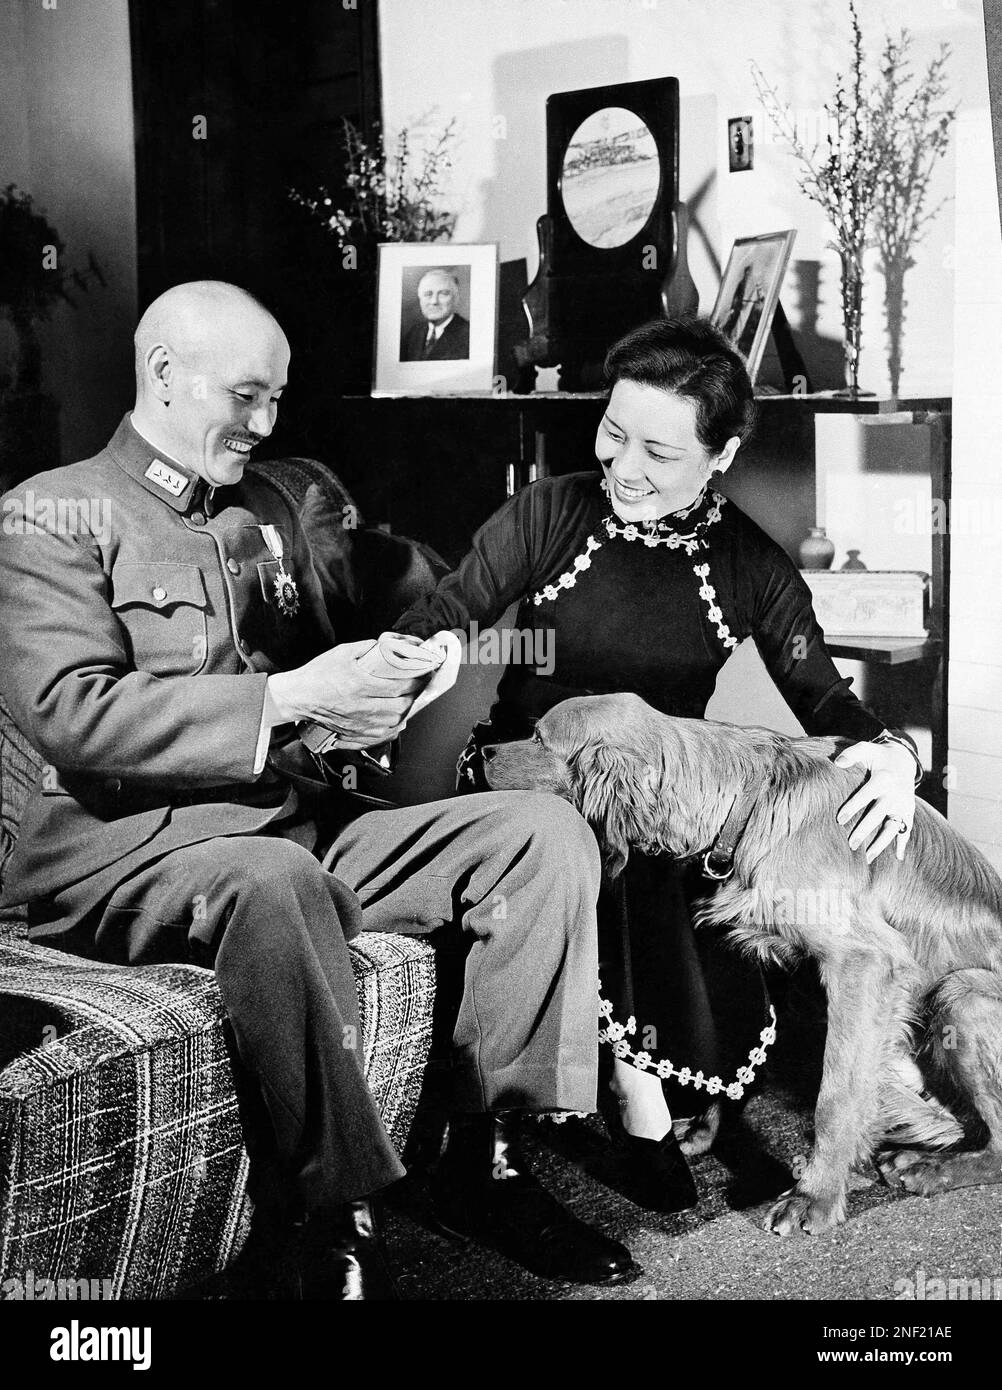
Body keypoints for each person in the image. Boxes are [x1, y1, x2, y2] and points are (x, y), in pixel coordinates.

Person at [0, 280, 635, 1298]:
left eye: (277, 400)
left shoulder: (265, 509)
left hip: (294, 821)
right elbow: (74, 713)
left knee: (539, 833)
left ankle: (488, 1158)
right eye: (247, 396)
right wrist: (290, 694)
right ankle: (336, 1209)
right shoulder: (50, 514)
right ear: (164, 374)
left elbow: (359, 631)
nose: (265, 424)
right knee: (272, 879)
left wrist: (389, 677)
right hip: (132, 856)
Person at [394, 316, 921, 1213]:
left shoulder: (750, 563)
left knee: (675, 848)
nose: (624, 467)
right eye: (613, 432)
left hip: (648, 803)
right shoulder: (551, 512)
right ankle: (636, 1107)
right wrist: (403, 661)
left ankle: (643, 1085)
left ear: (721, 456)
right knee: (575, 835)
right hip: (529, 777)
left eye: (660, 452)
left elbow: (829, 705)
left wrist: (895, 758)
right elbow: (452, 605)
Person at [400, 268, 471, 361]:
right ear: (420, 299)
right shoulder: (414, 333)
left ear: (455, 299)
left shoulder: (469, 335)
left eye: (443, 294)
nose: (434, 301)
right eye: (428, 294)